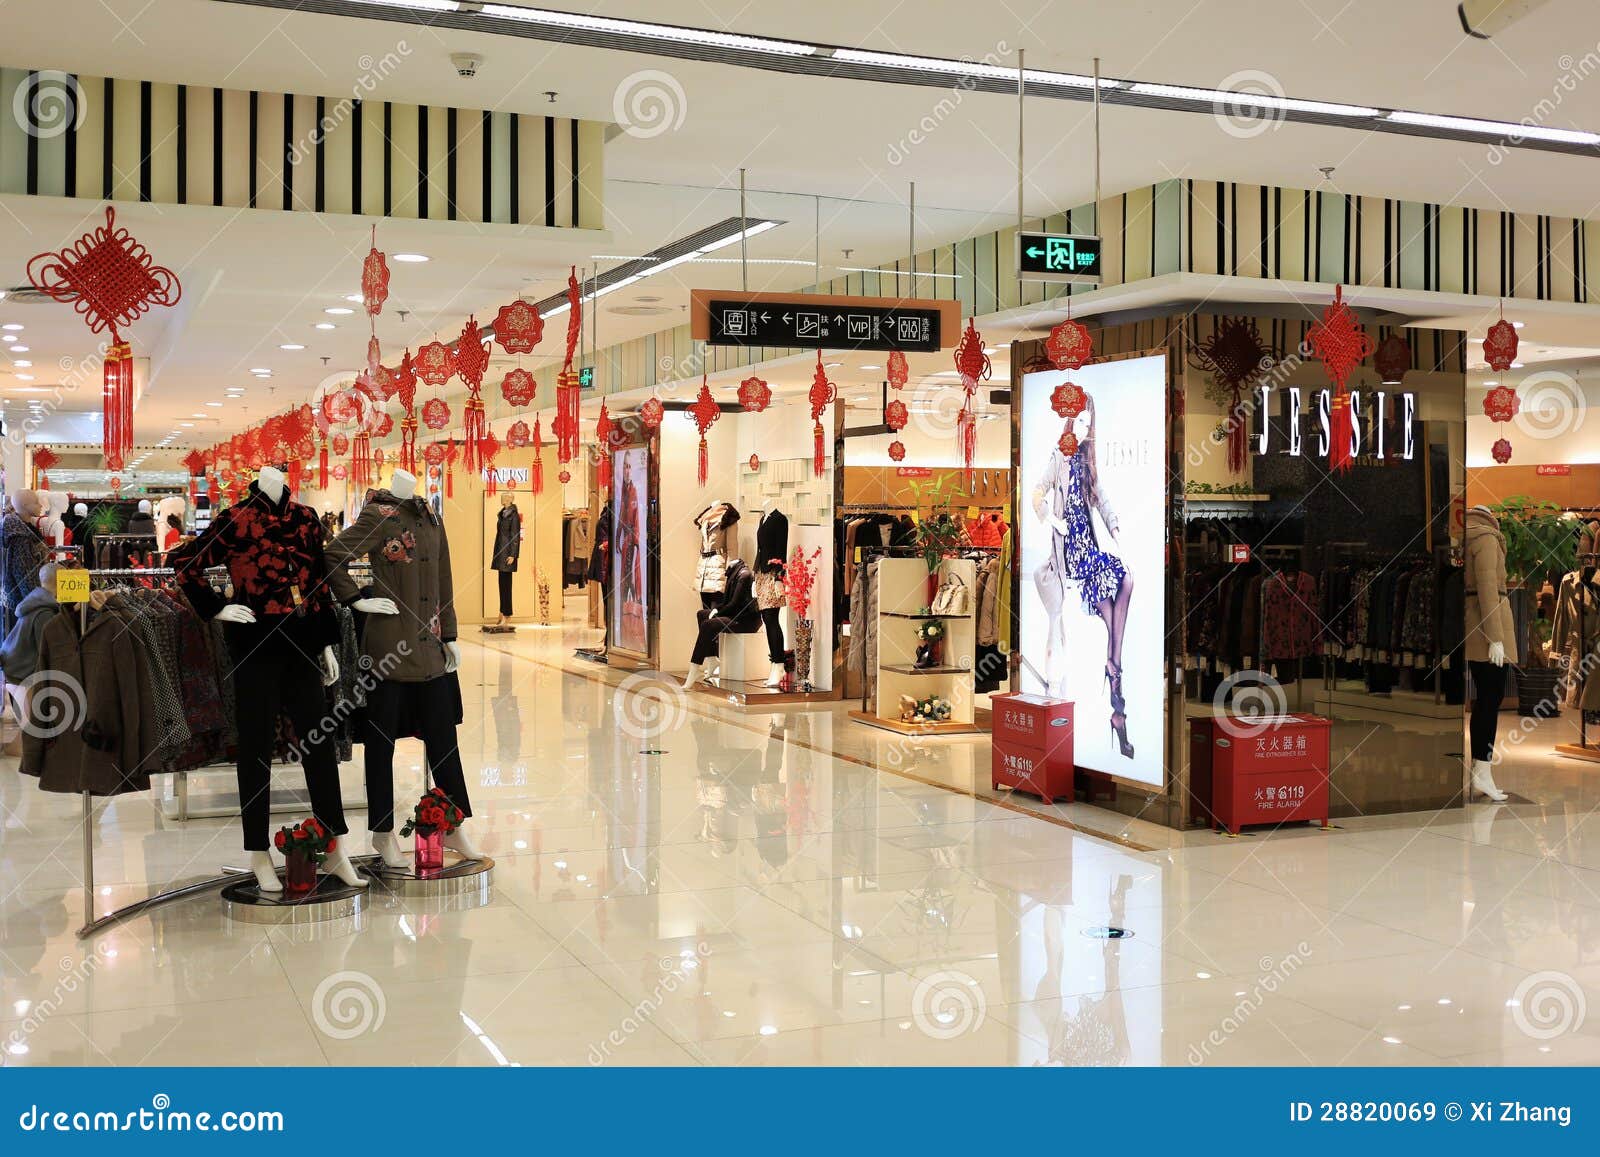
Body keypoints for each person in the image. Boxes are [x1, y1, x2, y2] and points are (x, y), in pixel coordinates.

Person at [1032, 393, 1135, 758]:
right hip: (1070, 555)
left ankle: (1113, 675)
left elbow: (1101, 497)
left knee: (1125, 580)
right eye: (1079, 422)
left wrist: (1117, 531)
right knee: (1111, 602)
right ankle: (1116, 694)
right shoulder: (1058, 456)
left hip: (1089, 547)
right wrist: (1052, 519)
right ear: (1069, 421)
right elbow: (1036, 493)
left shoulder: (1088, 459)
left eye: (1088, 424)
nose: (1084, 429)